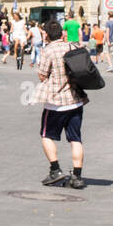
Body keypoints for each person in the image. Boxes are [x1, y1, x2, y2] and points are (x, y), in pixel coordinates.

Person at [31, 18, 87, 189]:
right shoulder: (73, 46)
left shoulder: (48, 50)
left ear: (46, 35)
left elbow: (42, 75)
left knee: (47, 135)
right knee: (75, 139)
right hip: (75, 101)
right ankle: (77, 177)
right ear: (62, 33)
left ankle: (55, 170)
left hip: (55, 103)